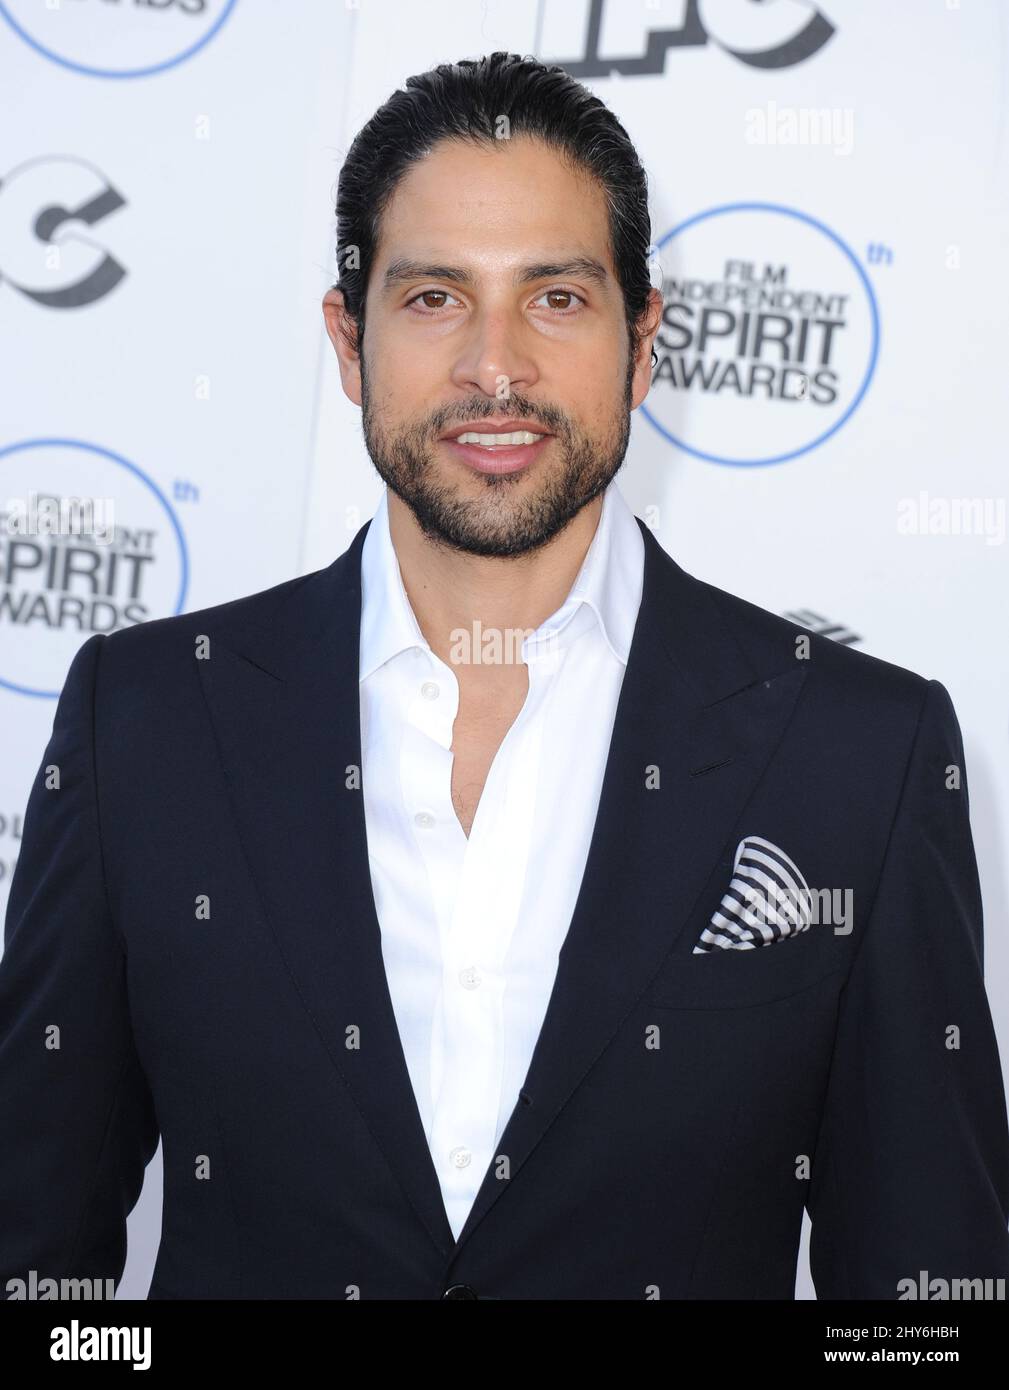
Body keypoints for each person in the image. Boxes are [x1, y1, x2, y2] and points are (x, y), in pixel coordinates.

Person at [2, 52, 1007, 1301]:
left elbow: (926, 1308)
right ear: (347, 338)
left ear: (643, 343)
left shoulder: (860, 752)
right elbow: (35, 1269)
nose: (495, 367)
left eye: (556, 299)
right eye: (432, 298)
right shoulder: (142, 720)